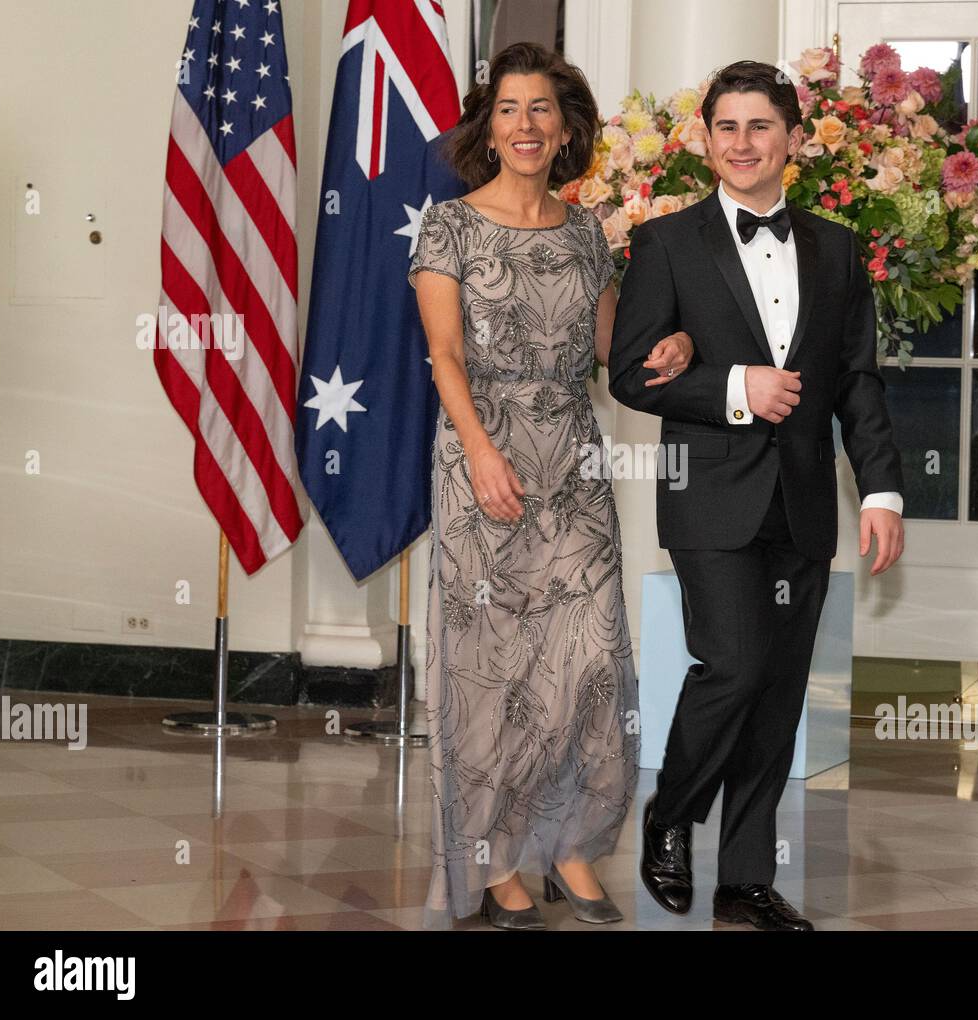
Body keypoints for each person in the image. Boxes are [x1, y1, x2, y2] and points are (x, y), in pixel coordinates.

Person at [608, 60, 906, 931]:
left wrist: (881, 489)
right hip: (709, 497)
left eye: (760, 127)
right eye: (727, 128)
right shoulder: (665, 243)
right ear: (707, 141)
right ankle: (670, 818)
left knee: (778, 690)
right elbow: (630, 373)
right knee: (732, 664)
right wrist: (736, 387)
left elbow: (857, 379)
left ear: (794, 141)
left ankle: (744, 878)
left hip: (806, 500)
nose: (743, 143)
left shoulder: (838, 247)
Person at [409, 42, 694, 930]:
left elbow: (612, 354)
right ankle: (495, 863)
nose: (525, 125)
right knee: (490, 674)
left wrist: (670, 351)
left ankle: (569, 843)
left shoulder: (582, 231)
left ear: (566, 127)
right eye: (508, 108)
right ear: (487, 127)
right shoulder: (449, 226)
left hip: (573, 462)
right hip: (481, 462)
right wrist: (482, 449)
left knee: (590, 663)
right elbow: (444, 355)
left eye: (541, 109)